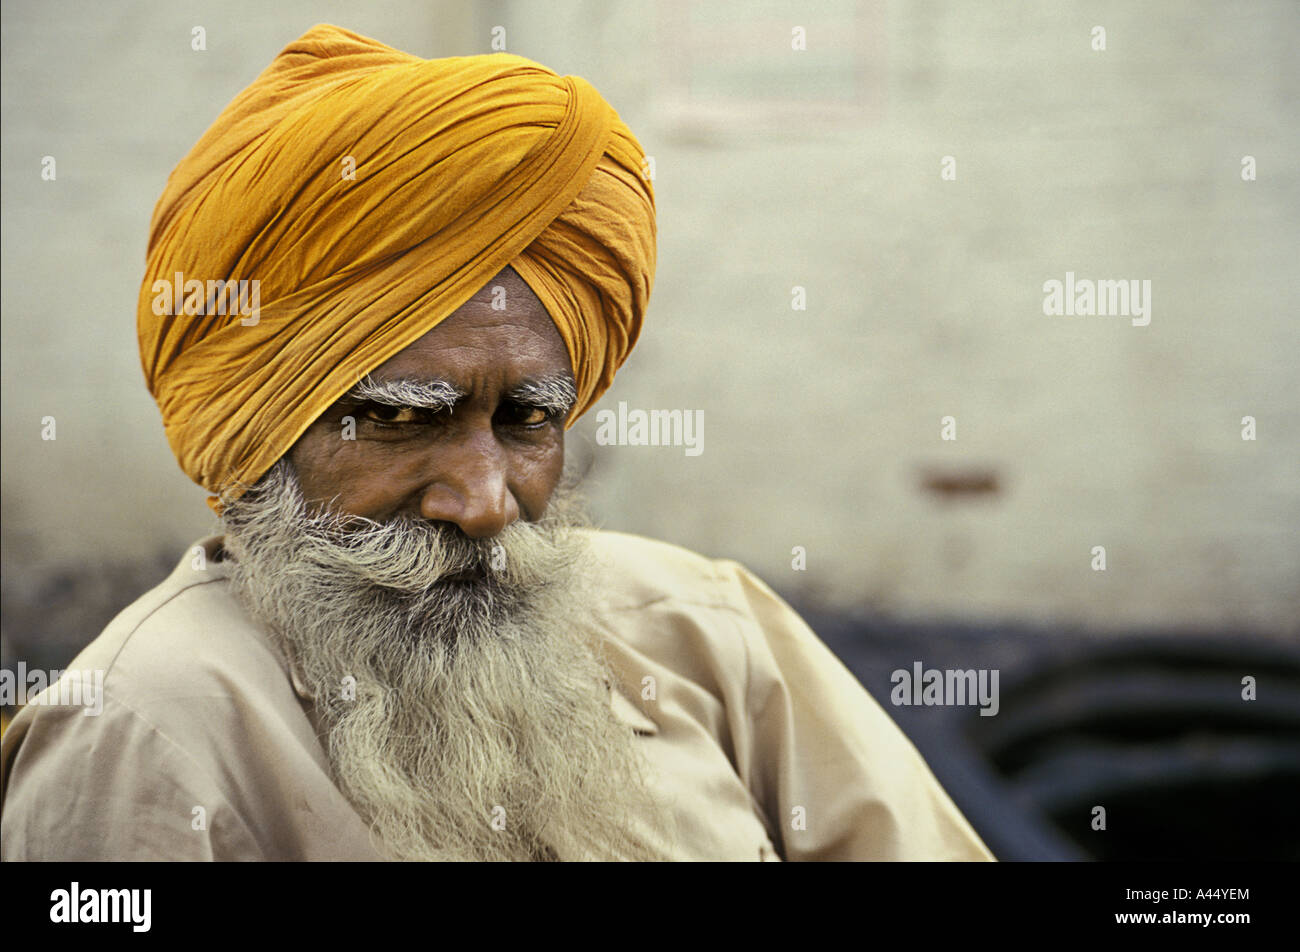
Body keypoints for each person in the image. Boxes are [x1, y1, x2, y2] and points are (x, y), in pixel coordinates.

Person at [0, 24, 993, 862]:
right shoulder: (139, 733)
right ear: (264, 432)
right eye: (400, 417)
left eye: (527, 419)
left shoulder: (703, 629)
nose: (483, 500)